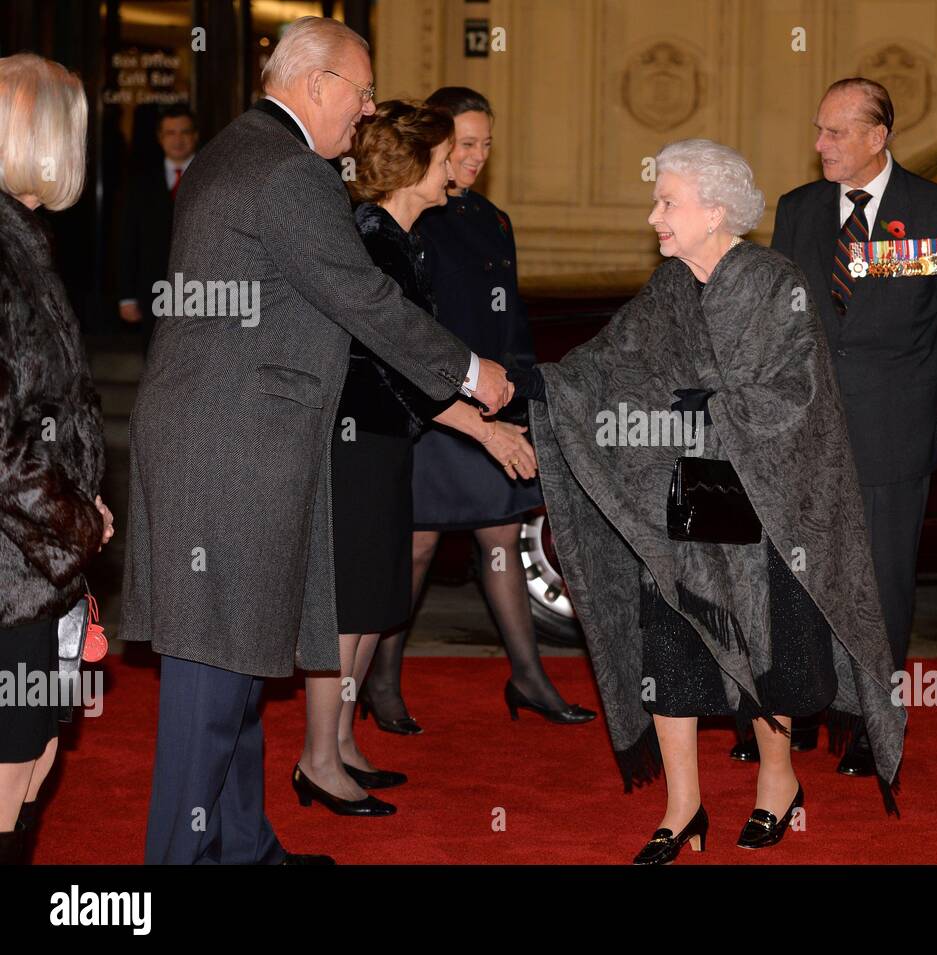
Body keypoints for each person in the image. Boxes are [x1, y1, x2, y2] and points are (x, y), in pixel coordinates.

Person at [120, 16, 513, 865]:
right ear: (315, 82)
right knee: (211, 681)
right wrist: (471, 370)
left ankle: (240, 847)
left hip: (216, 430)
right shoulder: (291, 170)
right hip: (233, 443)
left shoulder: (238, 147)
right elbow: (362, 299)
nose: (368, 111)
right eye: (362, 91)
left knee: (238, 653)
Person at [510, 139, 905, 864]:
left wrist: (717, 408)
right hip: (682, 503)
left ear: (715, 210)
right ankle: (683, 807)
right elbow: (608, 362)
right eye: (658, 200)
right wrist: (541, 385)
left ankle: (778, 782)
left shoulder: (773, 282)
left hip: (761, 507)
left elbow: (802, 398)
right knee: (672, 651)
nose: (654, 215)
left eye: (668, 201)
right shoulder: (665, 290)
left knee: (767, 649)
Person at [294, 99, 538, 815]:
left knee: (374, 600)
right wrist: (485, 429)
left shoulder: (406, 236)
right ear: (412, 168)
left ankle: (339, 743)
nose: (452, 170)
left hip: (386, 438)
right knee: (347, 609)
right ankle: (316, 759)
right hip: (355, 442)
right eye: (442, 159)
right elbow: (398, 365)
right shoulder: (371, 237)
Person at [765, 77, 937, 774]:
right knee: (801, 574)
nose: (819, 145)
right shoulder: (798, 210)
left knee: (880, 581)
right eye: (819, 130)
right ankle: (804, 703)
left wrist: (913, 390)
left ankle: (870, 718)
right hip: (806, 430)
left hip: (890, 431)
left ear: (877, 136)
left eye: (835, 134)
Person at [361, 86, 594, 735]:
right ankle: (381, 677)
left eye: (485, 144)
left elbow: (511, 321)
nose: (475, 156)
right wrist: (466, 397)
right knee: (416, 547)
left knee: (499, 537)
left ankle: (528, 675)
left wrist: (519, 394)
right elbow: (409, 330)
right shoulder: (413, 217)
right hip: (434, 405)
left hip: (492, 402)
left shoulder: (492, 219)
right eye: (464, 145)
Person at [0, 53, 113, 865]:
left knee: (35, 755)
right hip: (13, 564)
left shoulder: (23, 239)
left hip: (35, 563)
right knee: (10, 768)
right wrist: (78, 521)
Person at [117, 105, 199, 354]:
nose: (178, 139)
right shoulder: (140, 183)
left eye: (184, 132)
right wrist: (127, 296)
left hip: (204, 292)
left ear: (195, 136)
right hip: (153, 292)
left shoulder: (214, 177)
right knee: (156, 367)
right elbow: (128, 240)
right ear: (160, 137)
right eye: (170, 133)